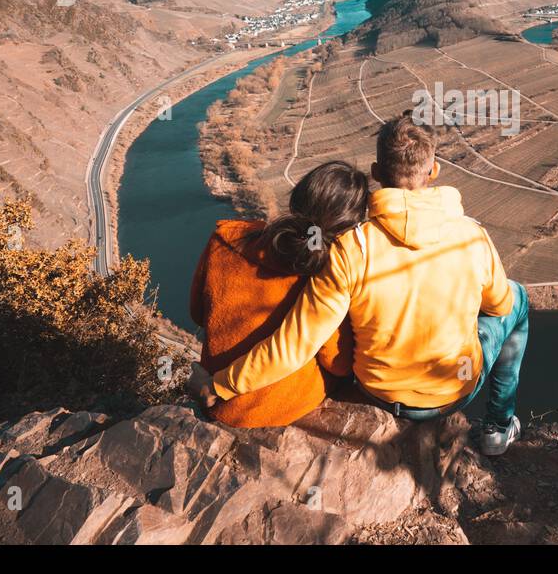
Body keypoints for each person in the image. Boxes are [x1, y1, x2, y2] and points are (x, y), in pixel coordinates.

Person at [189, 114, 530, 456]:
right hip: (451, 392)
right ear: (434, 170)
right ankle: (498, 429)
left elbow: (296, 344)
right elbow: (498, 306)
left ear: (377, 173)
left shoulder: (350, 249)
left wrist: (221, 385)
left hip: (377, 394)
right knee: (518, 299)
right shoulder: (472, 236)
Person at [187, 160, 367, 428]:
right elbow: (336, 362)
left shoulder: (224, 238)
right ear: (347, 227)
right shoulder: (326, 275)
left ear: (298, 199)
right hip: (269, 407)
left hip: (217, 398)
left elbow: (198, 314)